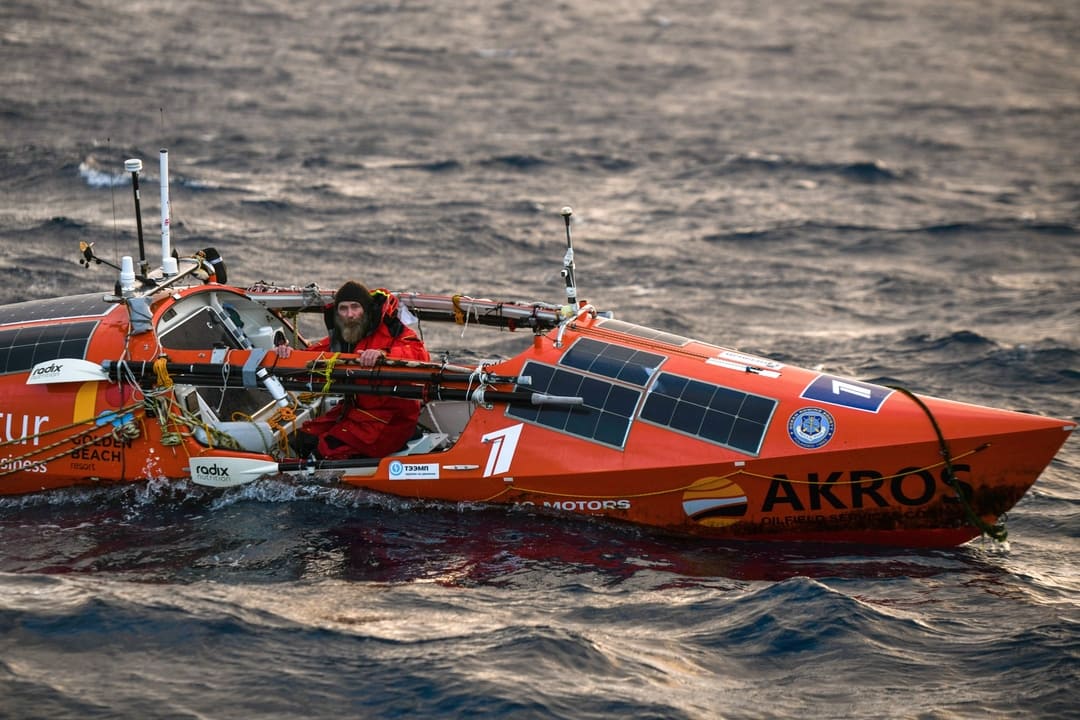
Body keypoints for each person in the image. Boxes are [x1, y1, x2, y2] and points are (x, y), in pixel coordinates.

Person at [276, 280, 429, 460]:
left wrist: (383, 354)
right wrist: (287, 355)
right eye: (343, 308)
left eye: (355, 307)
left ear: (366, 309)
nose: (350, 314)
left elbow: (420, 357)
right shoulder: (343, 336)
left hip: (391, 420)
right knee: (303, 439)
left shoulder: (393, 330)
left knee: (327, 451)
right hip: (353, 413)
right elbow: (311, 361)